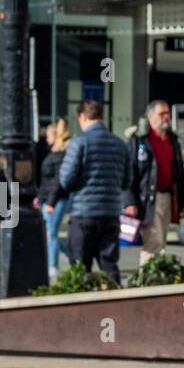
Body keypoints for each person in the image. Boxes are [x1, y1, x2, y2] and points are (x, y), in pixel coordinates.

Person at [59, 100, 132, 287]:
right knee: (109, 265)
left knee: (80, 268)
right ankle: (116, 308)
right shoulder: (119, 144)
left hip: (83, 214)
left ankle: (83, 312)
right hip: (111, 213)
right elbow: (127, 181)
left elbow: (66, 180)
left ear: (82, 117)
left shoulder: (79, 142)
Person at [128, 100, 184, 263]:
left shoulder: (172, 140)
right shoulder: (140, 140)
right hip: (148, 198)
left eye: (168, 113)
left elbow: (179, 173)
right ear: (150, 116)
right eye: (162, 114)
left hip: (167, 197)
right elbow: (129, 172)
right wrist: (129, 201)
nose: (166, 117)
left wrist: (182, 202)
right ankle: (148, 279)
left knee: (161, 241)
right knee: (152, 242)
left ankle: (156, 276)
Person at [35, 118, 72, 280]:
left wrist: (50, 202)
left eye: (49, 135)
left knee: (52, 233)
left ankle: (53, 265)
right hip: (48, 198)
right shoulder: (52, 152)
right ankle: (72, 255)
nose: (46, 138)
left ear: (55, 136)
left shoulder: (60, 155)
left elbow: (57, 181)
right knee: (52, 233)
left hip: (56, 200)